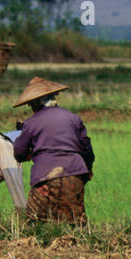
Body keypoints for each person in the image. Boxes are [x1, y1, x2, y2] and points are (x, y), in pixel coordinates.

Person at [12, 77, 94, 224]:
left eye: (31, 104)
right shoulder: (73, 118)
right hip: (75, 175)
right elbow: (87, 149)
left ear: (36, 103)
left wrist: (27, 145)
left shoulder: (30, 123)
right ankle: (77, 245)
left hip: (45, 177)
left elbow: (19, 152)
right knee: (75, 221)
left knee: (34, 221)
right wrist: (87, 169)